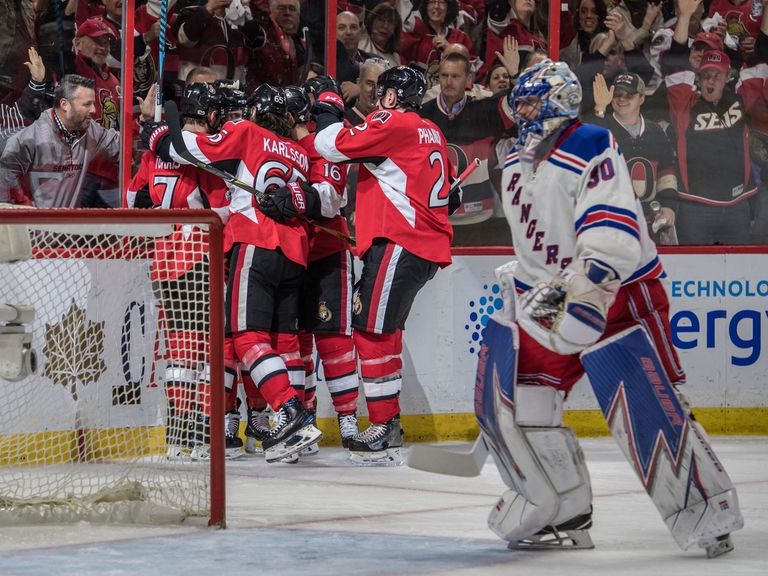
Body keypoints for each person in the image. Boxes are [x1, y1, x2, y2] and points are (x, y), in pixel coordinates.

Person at [492, 59, 741, 552]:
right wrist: (525, 289)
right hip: (557, 297)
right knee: (528, 397)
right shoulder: (514, 166)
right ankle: (564, 509)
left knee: (649, 397)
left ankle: (704, 509)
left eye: (529, 102)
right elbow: (532, 246)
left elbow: (613, 223)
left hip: (622, 290)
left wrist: (595, 277)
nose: (521, 113)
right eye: (517, 103)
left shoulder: (589, 142)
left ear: (558, 103)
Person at [140, 83, 323, 463]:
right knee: (282, 340)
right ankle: (276, 418)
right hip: (294, 252)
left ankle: (288, 411)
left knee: (242, 338)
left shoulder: (246, 133)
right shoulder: (299, 154)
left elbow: (186, 149)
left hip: (252, 242)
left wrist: (154, 130)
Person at [312, 66, 454, 465]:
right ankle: (387, 421)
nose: (378, 100)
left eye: (382, 93)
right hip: (418, 243)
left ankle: (383, 423)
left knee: (371, 330)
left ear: (392, 97)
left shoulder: (393, 121)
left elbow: (330, 145)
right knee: (384, 329)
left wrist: (327, 105)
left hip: (401, 241)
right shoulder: (431, 130)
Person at [126, 82, 239, 460]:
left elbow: (132, 199)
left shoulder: (153, 156)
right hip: (199, 255)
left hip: (164, 257)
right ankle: (203, 434)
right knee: (206, 351)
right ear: (208, 116)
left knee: (179, 350)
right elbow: (223, 212)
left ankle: (178, 436)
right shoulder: (201, 155)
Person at [666, 48, 756, 244]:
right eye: (706, 76)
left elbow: (760, 62)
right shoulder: (686, 105)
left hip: (737, 204)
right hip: (695, 206)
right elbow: (674, 66)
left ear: (727, 78)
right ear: (698, 79)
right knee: (693, 269)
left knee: (740, 269)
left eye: (717, 75)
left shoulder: (739, 101)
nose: (711, 81)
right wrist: (684, 17)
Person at [0, 74, 120, 207]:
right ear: (65, 105)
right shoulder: (31, 138)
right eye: (87, 104)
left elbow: (120, 146)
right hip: (34, 226)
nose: (94, 110)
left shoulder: (92, 131)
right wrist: (28, 214)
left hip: (68, 225)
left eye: (93, 103)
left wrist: (145, 122)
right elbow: (4, 182)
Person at [590, 72, 679, 244]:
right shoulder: (601, 126)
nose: (621, 99)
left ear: (642, 98)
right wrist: (599, 110)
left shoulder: (656, 131)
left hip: (649, 221)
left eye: (629, 95)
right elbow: (586, 154)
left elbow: (666, 171)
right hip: (610, 222)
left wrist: (669, 207)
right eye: (617, 95)